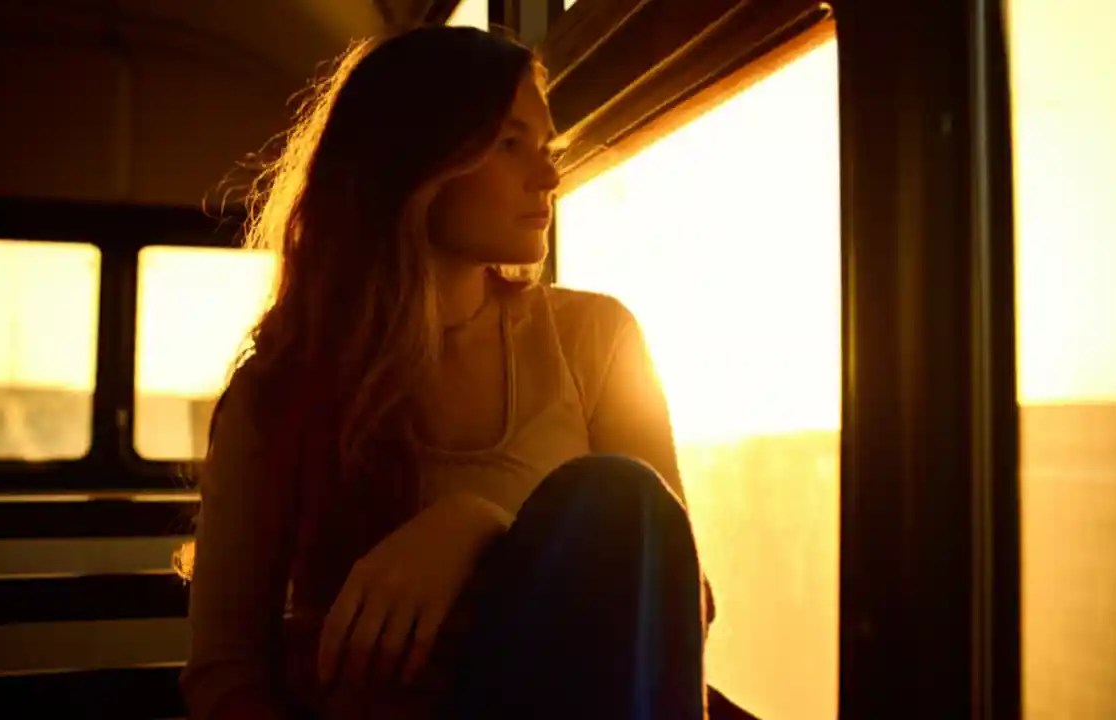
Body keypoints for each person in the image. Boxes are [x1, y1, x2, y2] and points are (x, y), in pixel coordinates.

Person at [177, 24, 725, 720]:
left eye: (547, 147)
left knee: (618, 495)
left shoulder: (596, 339)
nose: (549, 175)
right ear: (416, 160)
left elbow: (680, 603)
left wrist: (480, 527)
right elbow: (225, 676)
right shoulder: (276, 391)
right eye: (509, 143)